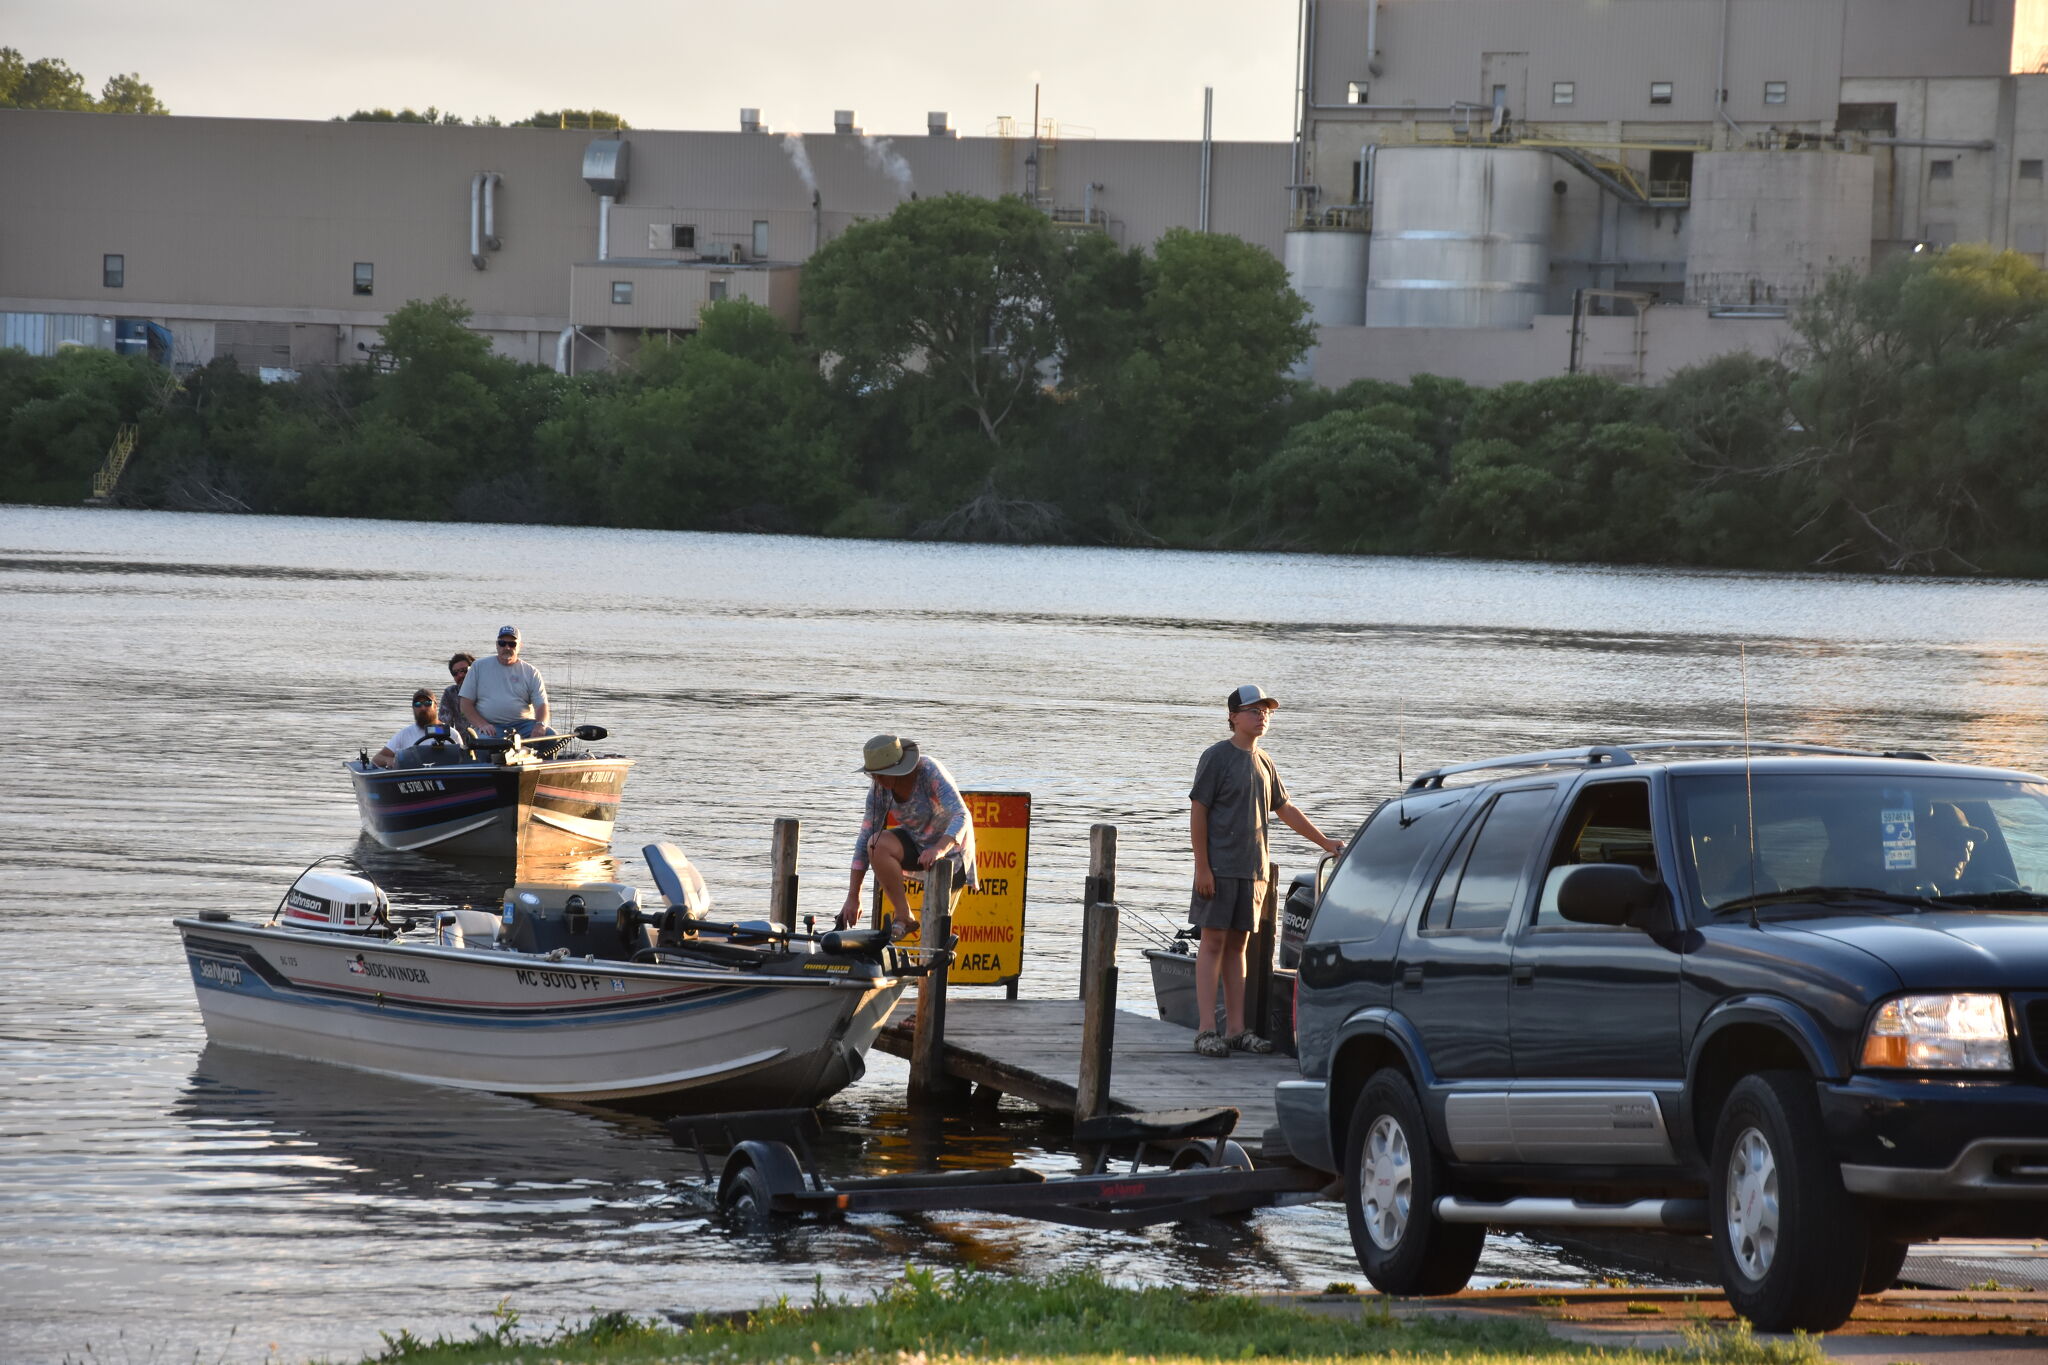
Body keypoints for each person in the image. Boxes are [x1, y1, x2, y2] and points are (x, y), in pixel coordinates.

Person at [1188, 684, 1346, 1058]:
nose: (1262, 716)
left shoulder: (1265, 762)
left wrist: (1326, 843)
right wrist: (1202, 867)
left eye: (1266, 711)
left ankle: (1237, 1030)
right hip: (1219, 868)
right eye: (1254, 710)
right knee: (1212, 942)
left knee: (1240, 945)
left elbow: (1285, 809)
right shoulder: (1216, 757)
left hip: (1254, 870)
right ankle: (1206, 1030)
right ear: (1233, 716)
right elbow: (1199, 811)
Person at [839, 735, 978, 941]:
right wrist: (853, 896)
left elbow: (961, 814)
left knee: (934, 927)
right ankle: (904, 915)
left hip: (951, 852)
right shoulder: (879, 789)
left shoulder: (929, 771)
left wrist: (939, 849)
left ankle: (932, 965)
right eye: (874, 775)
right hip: (917, 844)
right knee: (875, 844)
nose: (877, 780)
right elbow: (865, 837)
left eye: (883, 774)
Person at [459, 626, 552, 740]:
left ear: (519, 646)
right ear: (497, 645)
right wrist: (482, 724)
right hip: (491, 726)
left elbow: (541, 705)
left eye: (512, 644)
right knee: (484, 742)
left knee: (551, 737)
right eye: (502, 643)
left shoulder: (531, 672)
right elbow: (465, 704)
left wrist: (540, 725)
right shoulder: (478, 667)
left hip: (524, 726)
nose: (507, 647)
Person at [372, 688, 442, 769]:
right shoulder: (404, 734)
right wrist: (391, 760)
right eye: (418, 704)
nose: (423, 708)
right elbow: (377, 759)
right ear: (413, 708)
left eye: (427, 703)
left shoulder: (452, 734)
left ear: (436, 705)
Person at [439, 652, 475, 739]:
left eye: (464, 670)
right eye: (455, 673)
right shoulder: (450, 693)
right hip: (462, 745)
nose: (460, 675)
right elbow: (444, 724)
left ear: (474, 670)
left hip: (488, 741)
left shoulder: (487, 690)